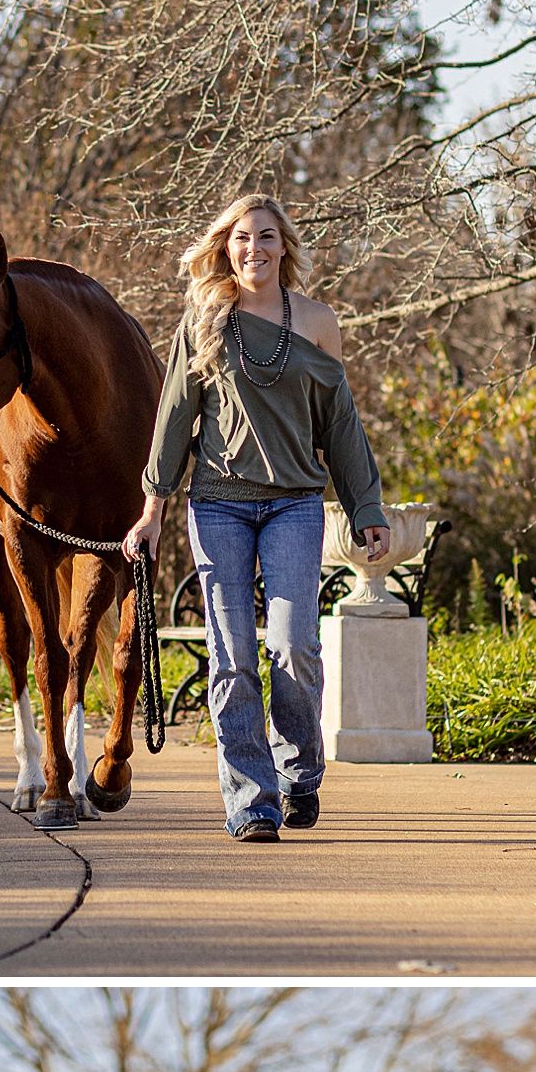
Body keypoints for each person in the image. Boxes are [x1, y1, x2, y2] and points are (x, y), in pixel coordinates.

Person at [122, 189, 391, 842]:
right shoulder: (205, 318)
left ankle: (298, 773)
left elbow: (342, 425)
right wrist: (151, 511)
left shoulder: (319, 322)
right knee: (233, 656)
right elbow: (173, 421)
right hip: (217, 505)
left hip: (296, 503)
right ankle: (251, 799)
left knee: (294, 646)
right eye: (242, 237)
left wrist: (366, 505)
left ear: (284, 248)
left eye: (266, 237)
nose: (253, 249)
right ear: (225, 246)